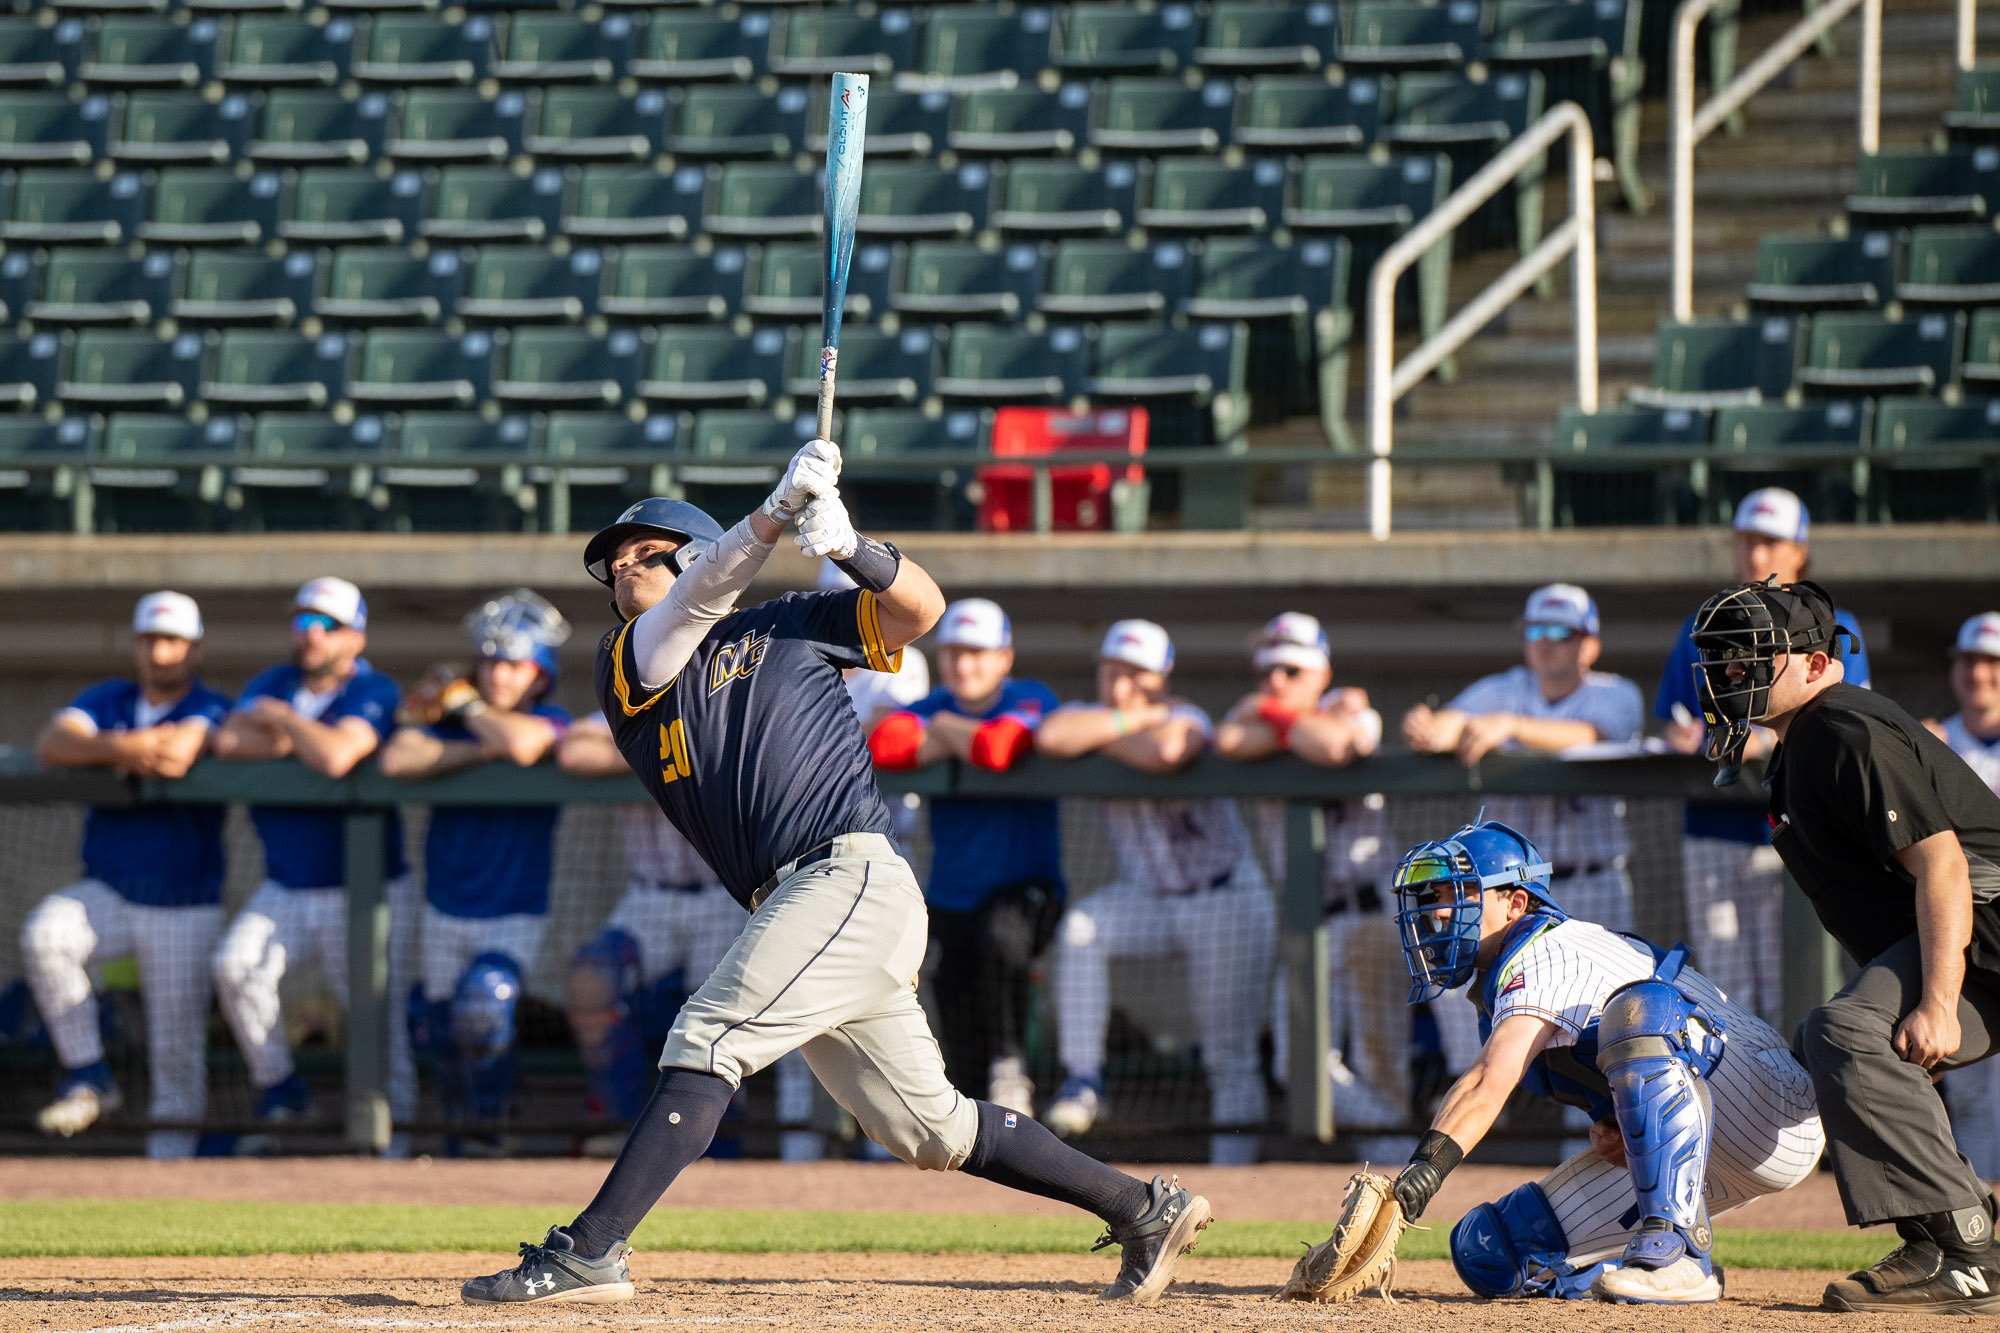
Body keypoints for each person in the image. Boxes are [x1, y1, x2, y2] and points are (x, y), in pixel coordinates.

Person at [459, 447, 1209, 1308]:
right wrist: (774, 513)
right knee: (930, 1128)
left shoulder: (788, 620)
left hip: (844, 874)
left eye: (645, 552)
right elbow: (697, 598)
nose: (625, 568)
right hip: (800, 901)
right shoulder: (629, 659)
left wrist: (855, 546)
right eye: (616, 564)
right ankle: (1142, 1206)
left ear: (695, 553)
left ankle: (589, 1250)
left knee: (709, 1033)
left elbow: (919, 611)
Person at [1691, 577, 2000, 1313]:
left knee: (1847, 1030)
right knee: (1854, 1038)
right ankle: (1940, 1241)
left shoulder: (1840, 727)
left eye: (1753, 658)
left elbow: (1945, 864)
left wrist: (1936, 1000)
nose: (1734, 675)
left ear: (1820, 662)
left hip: (1986, 928)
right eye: (1726, 663)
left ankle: (1968, 1252)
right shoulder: (1804, 745)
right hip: (1977, 937)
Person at [1374, 818, 1823, 1304]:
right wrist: (1615, 1121)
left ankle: (1678, 1259)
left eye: (1455, 894)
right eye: (1435, 898)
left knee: (1640, 1015)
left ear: (1515, 903)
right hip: (1708, 1140)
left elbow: (1487, 1082)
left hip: (1771, 1108)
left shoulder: (1546, 949)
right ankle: (1632, 1268)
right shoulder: (1503, 984)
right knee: (1489, 1250)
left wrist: (1418, 1179)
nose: (1438, 914)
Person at [1037, 619, 1278, 1166]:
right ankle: (1083, 1079)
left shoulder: (1186, 715)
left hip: (1225, 900)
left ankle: (1234, 1177)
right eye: (1111, 674)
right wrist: (1132, 722)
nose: (1121, 688)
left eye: (1135, 677)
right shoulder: (1107, 715)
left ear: (1163, 677)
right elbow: (1051, 737)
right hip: (1149, 899)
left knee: (1229, 1057)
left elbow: (1170, 749)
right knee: (1080, 930)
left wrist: (1109, 735)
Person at [20, 592, 233, 1160]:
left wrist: (103, 752)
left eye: (173, 642)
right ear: (136, 646)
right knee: (45, 935)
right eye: (151, 641)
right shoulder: (108, 697)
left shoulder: (212, 704)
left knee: (175, 1055)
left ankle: (171, 1177)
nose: (161, 653)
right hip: (110, 889)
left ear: (194, 649)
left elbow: (177, 758)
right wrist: (128, 745)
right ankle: (90, 1074)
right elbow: (52, 745)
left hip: (184, 901)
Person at [208, 576, 414, 1149]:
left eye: (328, 625)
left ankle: (394, 1137)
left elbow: (337, 755)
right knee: (235, 967)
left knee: (376, 1019)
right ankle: (281, 1089)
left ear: (356, 637)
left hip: (367, 887)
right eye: (304, 623)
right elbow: (227, 742)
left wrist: (285, 725)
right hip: (287, 884)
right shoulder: (271, 681)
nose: (313, 635)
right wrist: (295, 732)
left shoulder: (374, 689)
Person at [1655, 488, 1870, 1026]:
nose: (1756, 555)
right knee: (1725, 993)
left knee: (1795, 986)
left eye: (1770, 542)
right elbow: (1673, 715)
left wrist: (1763, 740)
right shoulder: (1703, 623)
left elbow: (1850, 725)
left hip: (1799, 828)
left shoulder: (1830, 623)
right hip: (1711, 826)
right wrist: (1689, 737)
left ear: (1799, 549)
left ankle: (1802, 1108)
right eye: (1748, 541)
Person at [380, 589, 571, 1148]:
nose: (498, 675)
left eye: (514, 664)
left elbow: (527, 745)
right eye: (489, 662)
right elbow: (397, 758)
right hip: (444, 903)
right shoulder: (455, 727)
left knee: (484, 1007)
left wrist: (467, 711)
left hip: (514, 909)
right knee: (439, 1031)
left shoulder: (548, 717)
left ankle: (494, 1130)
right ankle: (459, 1138)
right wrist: (471, 740)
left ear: (538, 675)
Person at [867, 597, 1064, 1113]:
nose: (964, 666)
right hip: (953, 891)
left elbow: (1001, 749)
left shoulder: (1028, 695)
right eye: (954, 653)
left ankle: (1011, 1068)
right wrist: (956, 733)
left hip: (1028, 889)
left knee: (1001, 940)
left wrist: (947, 733)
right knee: (943, 978)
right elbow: (883, 743)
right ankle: (975, 1104)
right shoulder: (935, 703)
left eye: (977, 654)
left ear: (1004, 657)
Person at [1214, 613, 1402, 1131]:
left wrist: (1276, 720)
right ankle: (1393, 1146)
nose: (1276, 682)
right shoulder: (1263, 716)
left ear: (1321, 673)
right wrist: (1289, 719)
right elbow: (1228, 741)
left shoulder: (1357, 712)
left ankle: (1398, 1173)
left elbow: (1338, 746)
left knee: (1381, 1064)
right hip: (1307, 919)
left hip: (1370, 916)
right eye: (1268, 673)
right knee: (1293, 1064)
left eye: (1292, 671)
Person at [1402, 583, 1644, 933]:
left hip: (1590, 883)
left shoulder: (1615, 692)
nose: (1545, 641)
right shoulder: (1504, 690)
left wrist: (1512, 726)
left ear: (1589, 646)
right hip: (1514, 890)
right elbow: (1449, 725)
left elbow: (1592, 735)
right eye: (1535, 630)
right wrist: (1428, 728)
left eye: (1560, 631)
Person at [559, 713, 744, 1142]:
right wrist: (664, 751)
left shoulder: (721, 700)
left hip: (724, 893)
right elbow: (575, 749)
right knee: (593, 974)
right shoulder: (635, 700)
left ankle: (720, 1148)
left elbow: (724, 752)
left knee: (722, 1024)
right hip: (650, 896)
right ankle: (616, 1125)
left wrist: (639, 749)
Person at [1927, 613, 2000, 1180]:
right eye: (1970, 660)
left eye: (1992, 662)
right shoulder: (1933, 741)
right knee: (1973, 1096)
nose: (1980, 673)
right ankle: (1979, 1230)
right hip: (1965, 938)